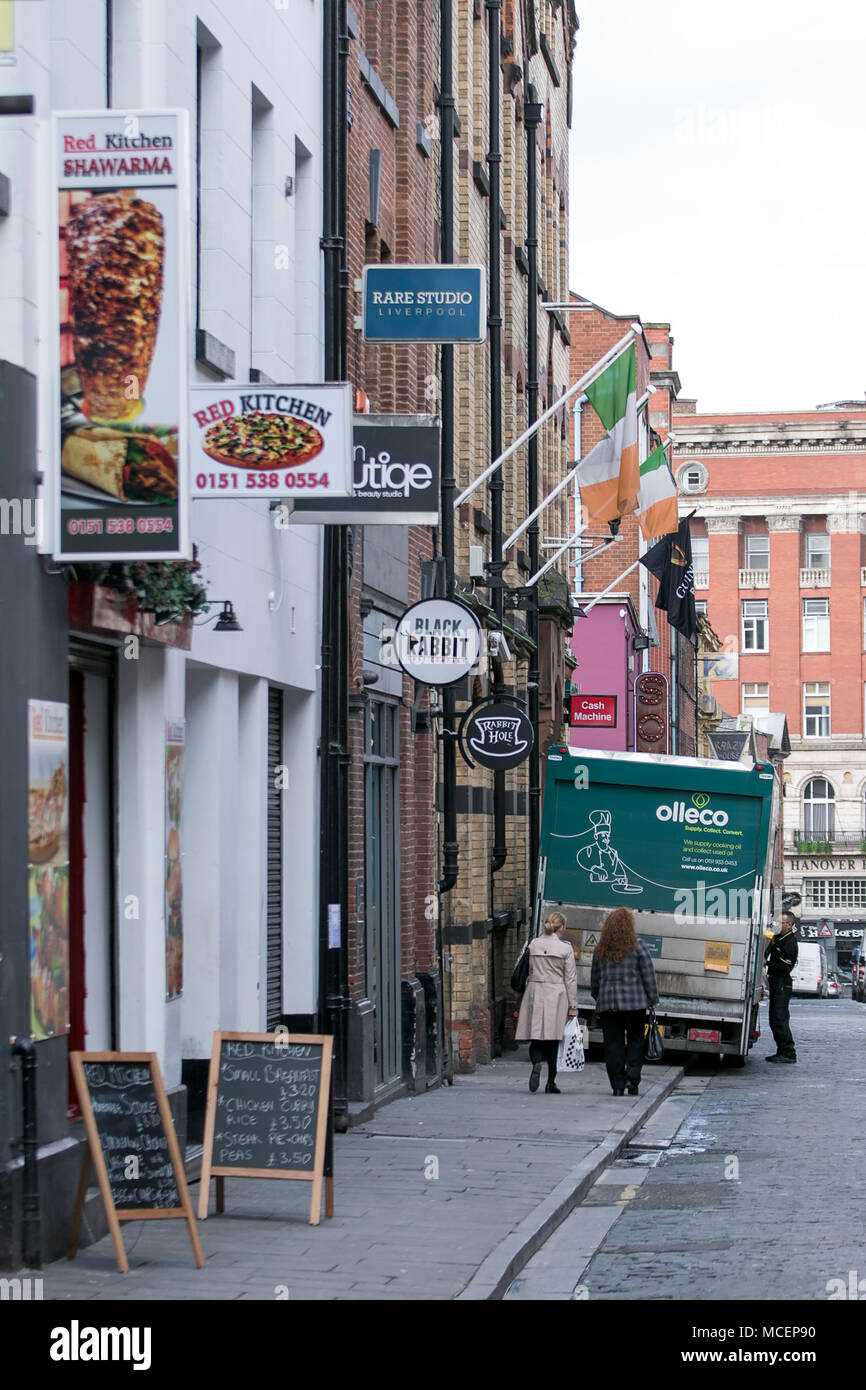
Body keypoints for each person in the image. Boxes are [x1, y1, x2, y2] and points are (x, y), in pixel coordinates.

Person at [590, 907, 659, 1096]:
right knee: (636, 1039)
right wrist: (652, 998)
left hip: (608, 1004)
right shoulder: (638, 946)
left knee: (613, 1044)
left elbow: (594, 979)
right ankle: (632, 1077)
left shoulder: (600, 949)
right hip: (635, 1004)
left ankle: (617, 1085)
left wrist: (598, 996)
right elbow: (648, 975)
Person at [515, 911, 578, 1094]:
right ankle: (551, 1082)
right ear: (562, 928)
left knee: (536, 1037)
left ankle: (536, 1065)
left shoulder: (533, 944)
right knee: (553, 1040)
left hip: (535, 991)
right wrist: (573, 1006)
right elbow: (570, 979)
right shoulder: (565, 949)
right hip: (557, 994)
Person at [765, 910, 798, 1063]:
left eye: (781, 923)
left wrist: (768, 963)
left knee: (779, 1018)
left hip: (782, 983)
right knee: (774, 1018)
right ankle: (781, 1050)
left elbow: (787, 966)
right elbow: (767, 942)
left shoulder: (789, 942)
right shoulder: (779, 937)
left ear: (789, 925)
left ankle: (788, 1052)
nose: (778, 925)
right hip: (775, 981)